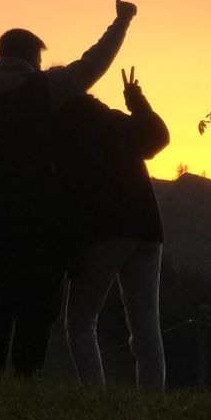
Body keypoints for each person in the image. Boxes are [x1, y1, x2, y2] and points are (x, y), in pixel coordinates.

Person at [0, 0, 138, 375]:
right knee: (37, 307)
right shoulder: (45, 89)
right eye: (37, 59)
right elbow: (94, 63)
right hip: (42, 218)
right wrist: (121, 22)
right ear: (30, 59)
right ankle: (25, 379)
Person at [56, 67, 169, 389]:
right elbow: (159, 138)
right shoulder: (117, 122)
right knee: (146, 324)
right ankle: (153, 402)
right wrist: (138, 103)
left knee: (80, 321)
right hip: (148, 229)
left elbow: (67, 193)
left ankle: (94, 396)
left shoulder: (66, 132)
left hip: (103, 232)